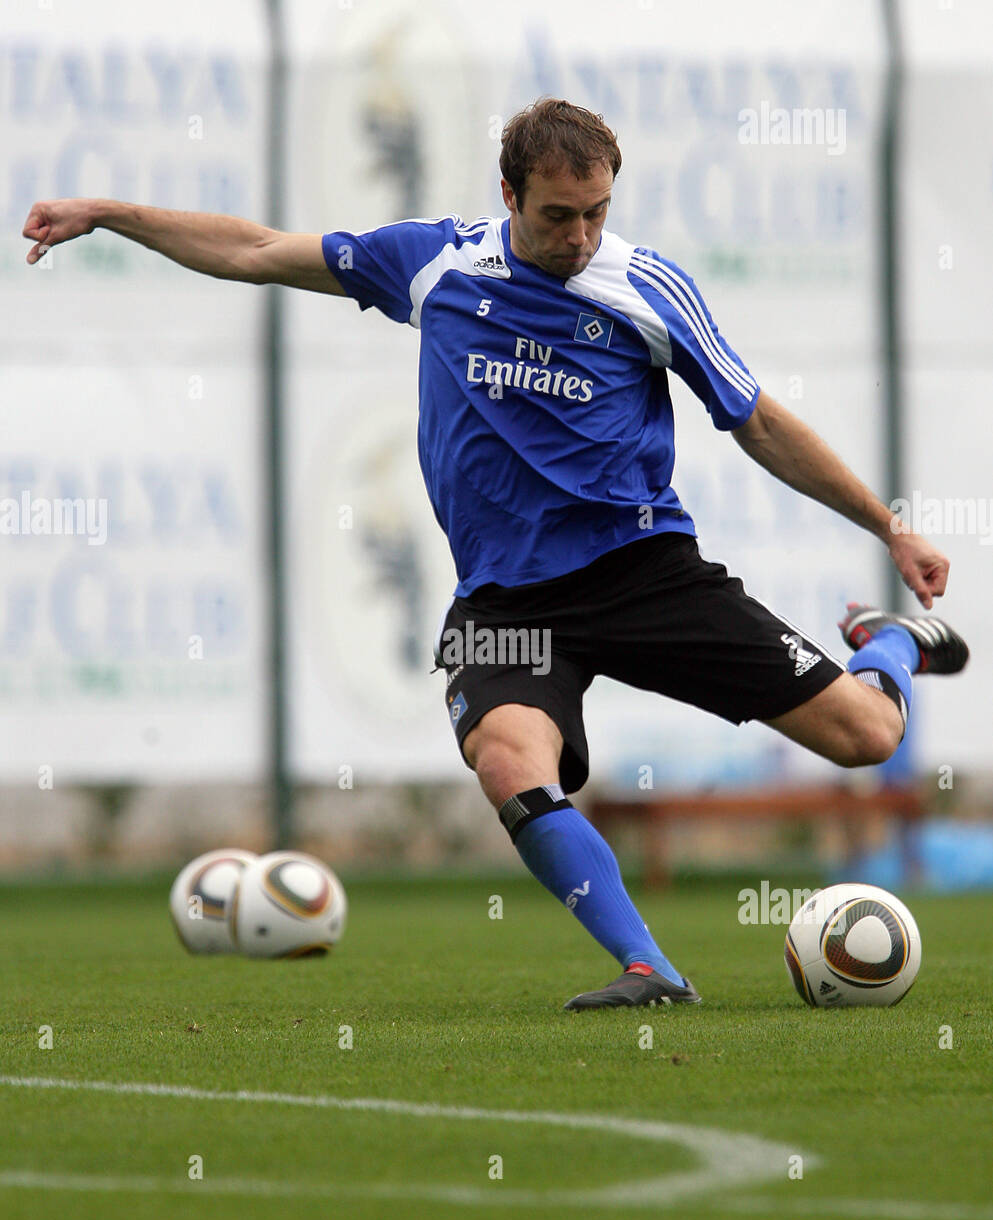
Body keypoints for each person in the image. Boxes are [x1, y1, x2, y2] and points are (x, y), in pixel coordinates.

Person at [23, 97, 968, 1011]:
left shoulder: (646, 287)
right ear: (509, 195)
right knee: (508, 758)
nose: (581, 236)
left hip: (644, 574)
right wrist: (111, 215)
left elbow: (756, 420)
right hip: (510, 607)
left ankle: (890, 645)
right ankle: (649, 969)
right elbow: (259, 251)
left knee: (866, 740)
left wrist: (886, 526)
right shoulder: (435, 262)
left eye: (597, 213)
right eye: (559, 215)